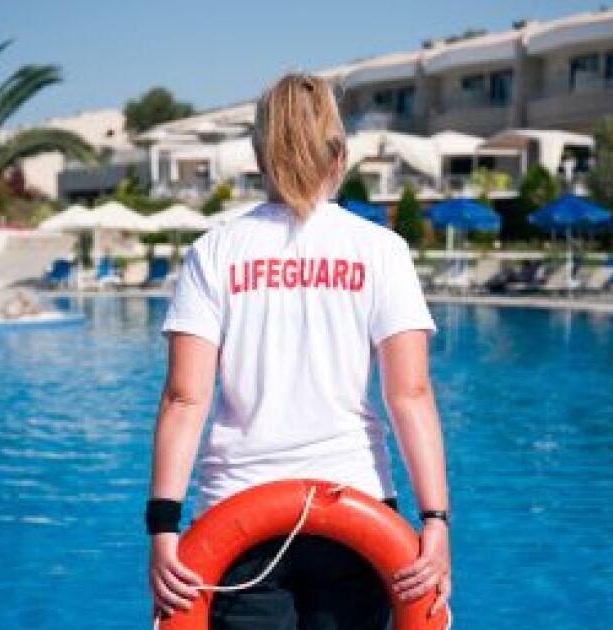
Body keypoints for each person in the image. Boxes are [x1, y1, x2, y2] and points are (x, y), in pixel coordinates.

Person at [146, 73, 451, 630]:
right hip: (354, 510)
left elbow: (184, 399)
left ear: (259, 156)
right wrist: (436, 519)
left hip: (239, 520)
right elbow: (410, 394)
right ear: (341, 156)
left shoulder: (214, 252)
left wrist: (163, 528)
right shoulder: (381, 251)